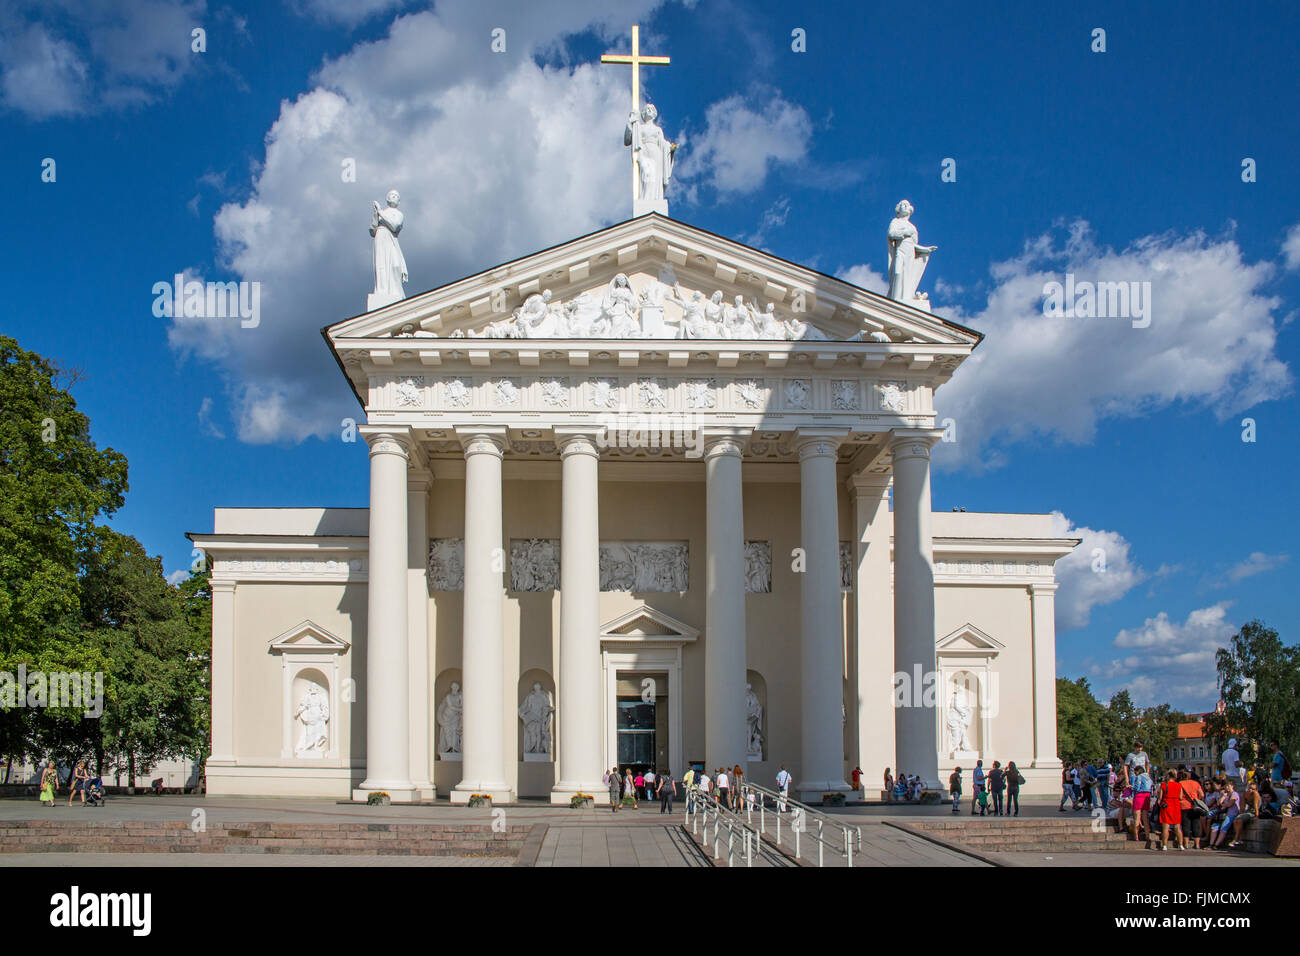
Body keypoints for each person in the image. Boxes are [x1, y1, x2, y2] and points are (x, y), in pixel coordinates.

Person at [1155, 770, 1185, 850]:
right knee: (1177, 827)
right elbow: (1181, 797)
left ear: (1168, 776)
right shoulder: (1179, 785)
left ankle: (1164, 845)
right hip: (1176, 806)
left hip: (1167, 805)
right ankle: (1181, 845)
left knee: (1165, 827)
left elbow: (1160, 798)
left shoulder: (1164, 785)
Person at [1208, 780, 1240, 849]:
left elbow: (1229, 804)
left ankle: (1216, 845)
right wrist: (1223, 796)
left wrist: (1223, 804)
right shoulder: (1225, 794)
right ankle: (1211, 844)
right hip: (1222, 814)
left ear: (1232, 786)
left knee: (1223, 828)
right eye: (1226, 786)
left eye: (1228, 786)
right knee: (1214, 827)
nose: (1227, 788)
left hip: (1231, 814)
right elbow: (1219, 803)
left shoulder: (1234, 794)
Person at [1228, 781, 1261, 848]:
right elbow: (1242, 806)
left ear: (1256, 790)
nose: (1250, 790)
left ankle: (1236, 839)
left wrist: (1257, 816)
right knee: (1235, 820)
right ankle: (1239, 839)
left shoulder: (1255, 794)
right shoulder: (1245, 794)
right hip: (1248, 811)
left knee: (1239, 820)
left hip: (1254, 812)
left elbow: (1256, 806)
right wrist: (1240, 814)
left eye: (1253, 789)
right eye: (1250, 788)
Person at [1178, 770, 1206, 845]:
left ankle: (1186, 844)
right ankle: (1197, 844)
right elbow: (1202, 795)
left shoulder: (1180, 783)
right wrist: (1197, 799)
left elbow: (1180, 796)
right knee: (1196, 825)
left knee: (1185, 825)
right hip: (1195, 807)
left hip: (1184, 806)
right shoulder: (1196, 783)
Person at [1130, 764, 1154, 842]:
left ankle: (1136, 836)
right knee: (1145, 818)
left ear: (1138, 771)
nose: (1135, 774)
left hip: (1139, 796)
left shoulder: (1139, 777)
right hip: (1147, 797)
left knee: (1137, 817)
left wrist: (1131, 787)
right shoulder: (1149, 777)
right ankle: (1147, 836)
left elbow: (1137, 787)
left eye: (1135, 772)